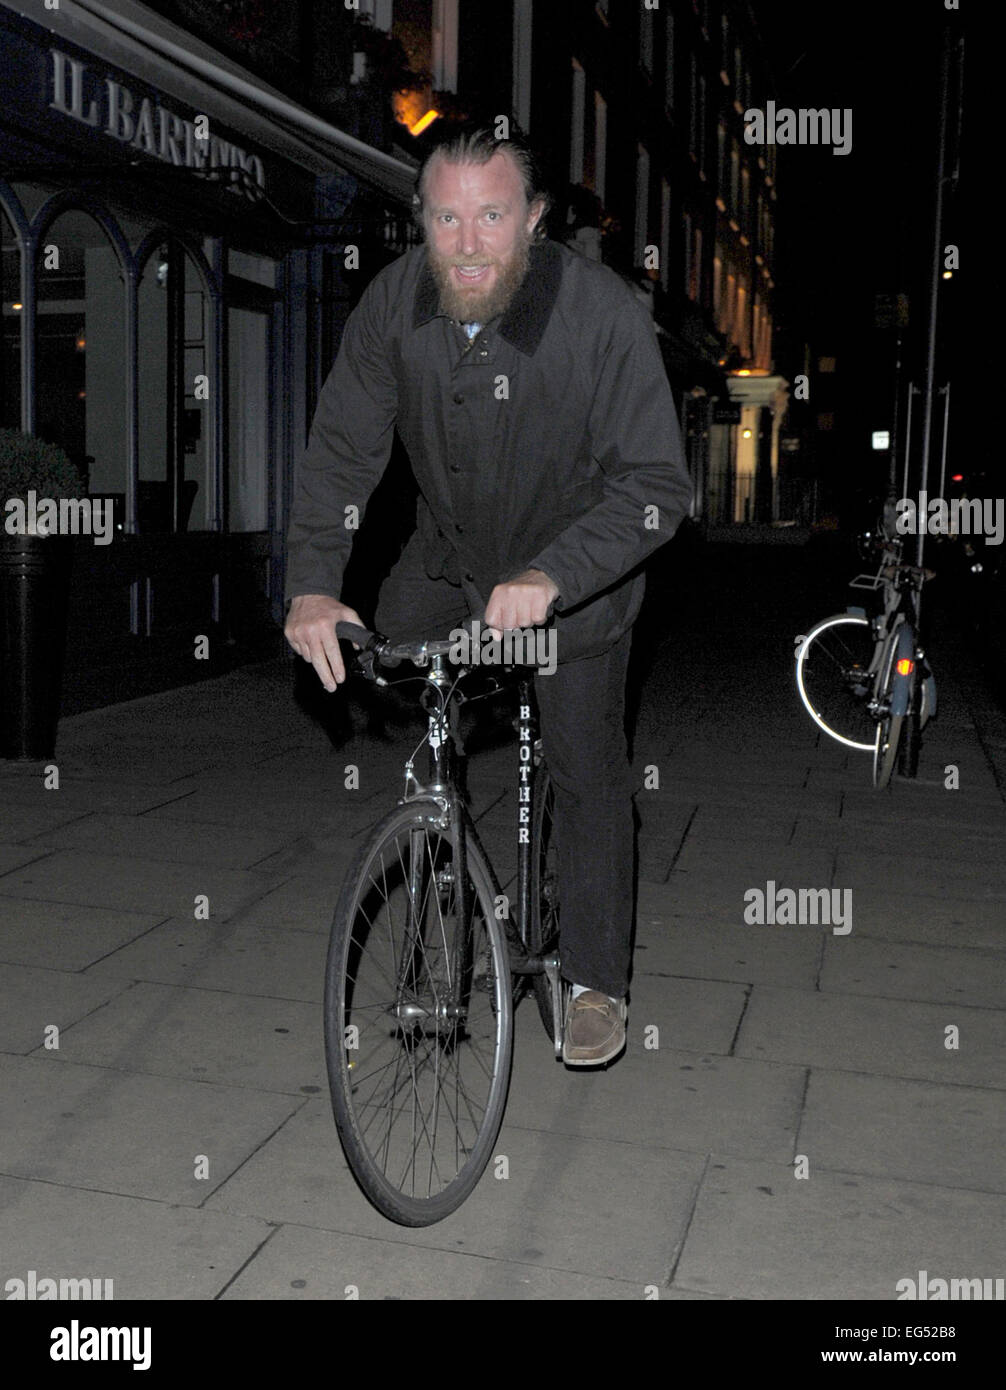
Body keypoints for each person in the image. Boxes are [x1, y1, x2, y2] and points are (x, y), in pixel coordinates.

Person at [284, 126, 692, 1066]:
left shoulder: (600, 316)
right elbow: (344, 450)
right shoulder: (396, 302)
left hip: (578, 579)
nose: (467, 244)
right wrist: (312, 582)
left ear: (535, 221)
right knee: (392, 664)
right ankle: (439, 830)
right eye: (447, 217)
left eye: (492, 217)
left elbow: (657, 491)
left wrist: (553, 576)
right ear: (423, 221)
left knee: (586, 769)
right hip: (451, 560)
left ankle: (595, 982)